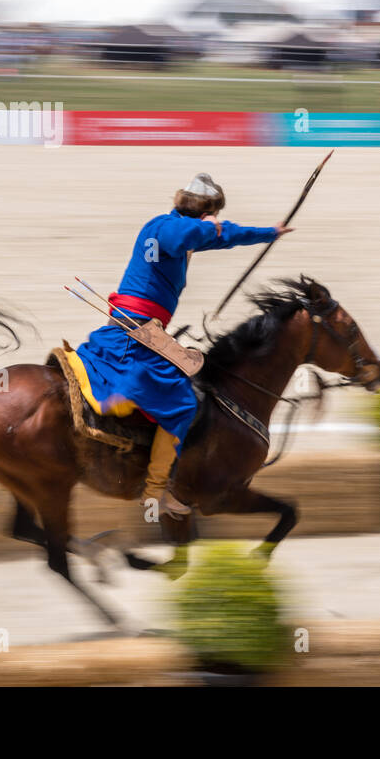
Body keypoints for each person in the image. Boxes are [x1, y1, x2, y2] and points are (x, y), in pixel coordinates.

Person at [74, 173, 291, 517]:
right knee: (183, 404)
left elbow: (225, 238)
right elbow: (195, 235)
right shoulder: (169, 229)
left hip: (139, 325)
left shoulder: (172, 229)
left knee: (189, 369)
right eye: (211, 213)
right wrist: (213, 226)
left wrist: (269, 233)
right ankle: (155, 489)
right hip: (139, 330)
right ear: (204, 211)